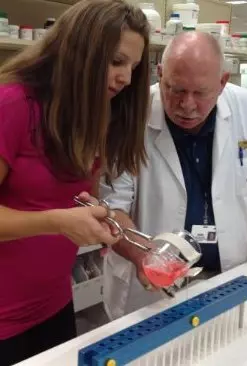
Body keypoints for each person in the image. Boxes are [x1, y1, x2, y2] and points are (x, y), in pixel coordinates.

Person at [98, 31, 247, 320]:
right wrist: (146, 256)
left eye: (200, 93)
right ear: (160, 74)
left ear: (222, 82)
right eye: (176, 90)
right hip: (150, 290)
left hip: (228, 276)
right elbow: (112, 208)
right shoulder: (132, 117)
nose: (187, 105)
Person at [0, 0, 150, 364]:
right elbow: (59, 215)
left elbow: (85, 202)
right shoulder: (13, 104)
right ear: (78, 52)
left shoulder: (91, 115)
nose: (126, 79)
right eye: (116, 62)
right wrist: (56, 221)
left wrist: (122, 232)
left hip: (53, 307)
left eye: (133, 66)